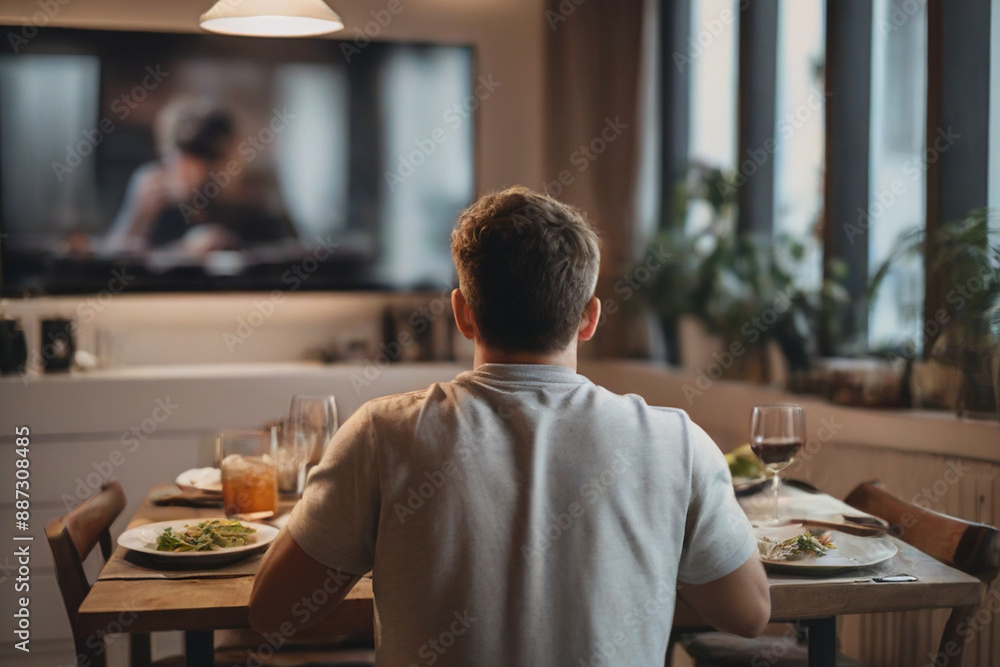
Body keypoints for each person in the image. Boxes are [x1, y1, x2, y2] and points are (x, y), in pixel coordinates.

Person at [249, 186, 769, 665]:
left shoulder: (381, 433)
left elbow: (272, 612)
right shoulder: (676, 442)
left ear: (462, 313)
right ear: (589, 318)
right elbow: (748, 614)